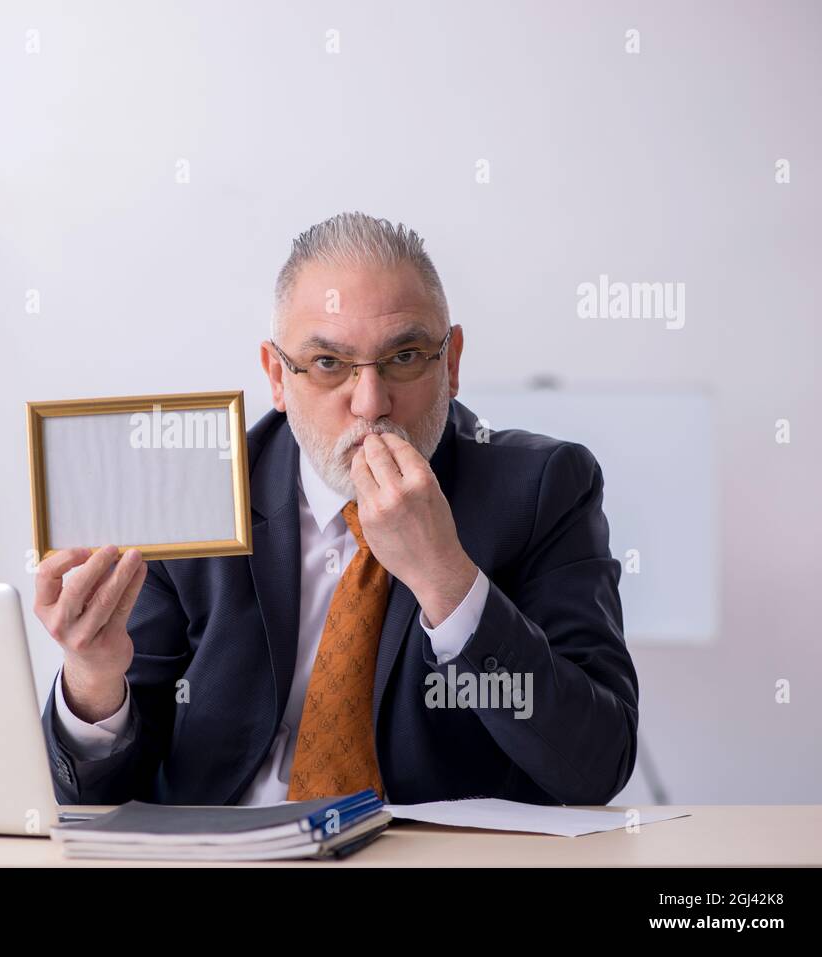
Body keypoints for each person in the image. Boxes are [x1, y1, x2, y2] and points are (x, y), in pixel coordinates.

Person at [33, 211, 638, 806]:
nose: (370, 404)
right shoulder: (196, 490)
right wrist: (93, 680)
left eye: (403, 357)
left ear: (451, 363)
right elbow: (103, 797)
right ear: (277, 374)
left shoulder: (543, 489)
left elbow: (594, 767)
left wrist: (446, 580)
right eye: (328, 364)